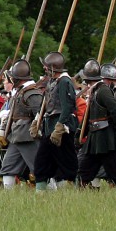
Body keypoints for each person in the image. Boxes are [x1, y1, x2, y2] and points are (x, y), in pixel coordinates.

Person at [77, 63, 116, 189]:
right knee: (86, 168)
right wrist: (79, 134)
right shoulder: (95, 91)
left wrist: (114, 130)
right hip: (96, 136)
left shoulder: (103, 90)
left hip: (105, 136)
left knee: (113, 168)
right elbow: (88, 117)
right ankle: (83, 187)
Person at [34, 51, 79, 191]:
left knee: (66, 163)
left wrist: (60, 126)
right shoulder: (53, 82)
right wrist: (37, 121)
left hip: (62, 128)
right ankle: (41, 193)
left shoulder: (65, 82)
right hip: (50, 126)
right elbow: (45, 105)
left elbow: (67, 107)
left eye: (47, 66)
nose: (44, 69)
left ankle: (71, 192)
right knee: (42, 162)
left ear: (53, 67)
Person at [0, 59, 41, 189]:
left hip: (29, 136)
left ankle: (50, 194)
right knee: (8, 168)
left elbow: (39, 114)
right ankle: (8, 197)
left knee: (39, 169)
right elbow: (11, 115)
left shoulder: (31, 93)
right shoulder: (19, 92)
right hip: (16, 135)